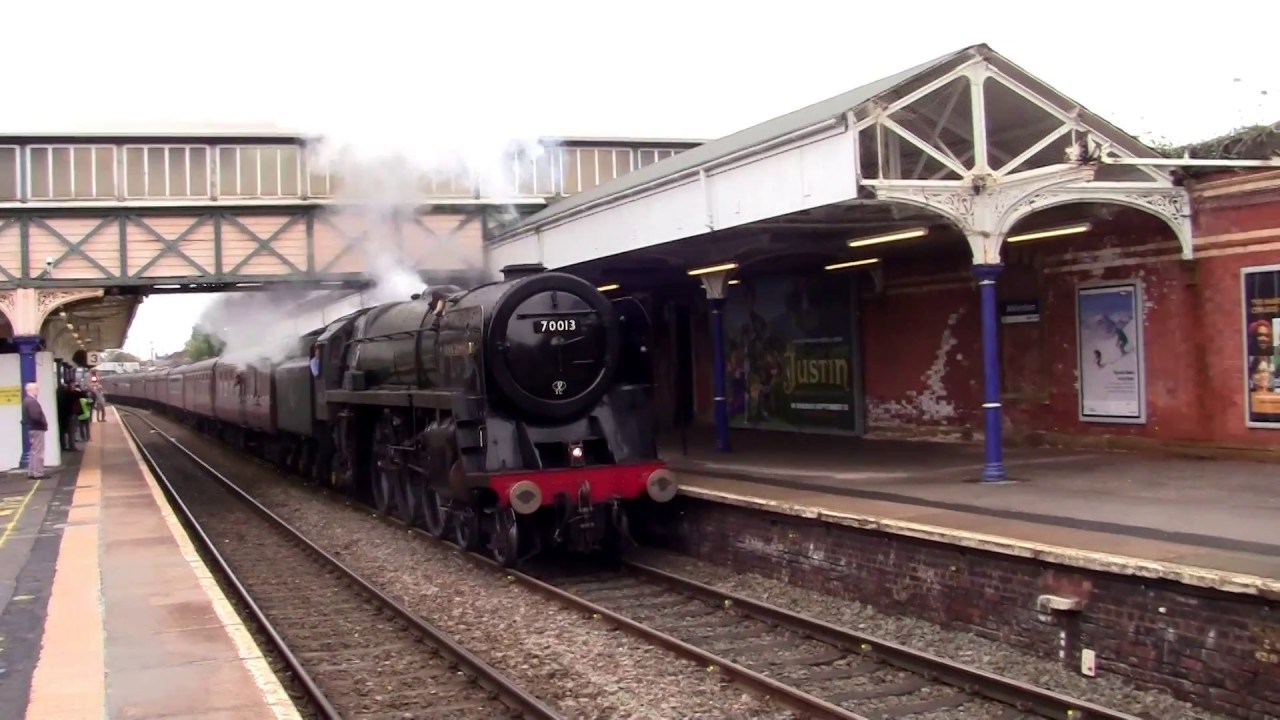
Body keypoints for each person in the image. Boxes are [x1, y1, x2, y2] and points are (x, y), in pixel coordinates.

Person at [21, 383, 48, 479]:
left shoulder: (26, 401)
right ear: (31, 390)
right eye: (36, 389)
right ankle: (38, 472)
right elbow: (36, 416)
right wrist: (43, 422)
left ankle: (32, 471)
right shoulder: (32, 402)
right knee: (38, 452)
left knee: (33, 451)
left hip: (32, 428)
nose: (38, 390)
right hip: (37, 428)